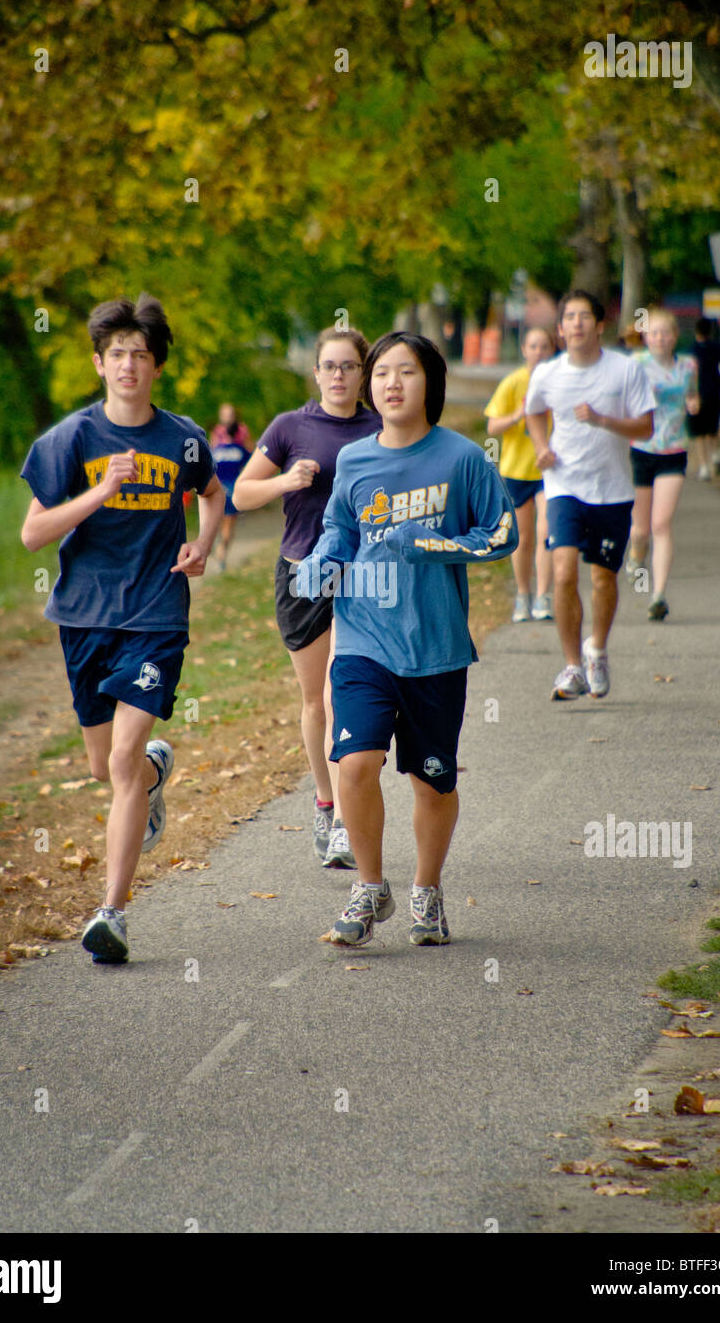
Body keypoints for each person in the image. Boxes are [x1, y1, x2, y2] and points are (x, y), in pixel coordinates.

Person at [20, 294, 225, 964]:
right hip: (82, 615)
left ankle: (113, 912)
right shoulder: (70, 441)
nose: (129, 365)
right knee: (105, 767)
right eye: (117, 355)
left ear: (156, 366)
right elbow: (32, 535)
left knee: (119, 760)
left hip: (156, 614)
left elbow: (214, 493)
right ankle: (152, 775)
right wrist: (98, 494)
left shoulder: (183, 438)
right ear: (98, 364)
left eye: (141, 354)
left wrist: (204, 545)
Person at [296, 332, 517, 947]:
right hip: (363, 637)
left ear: (430, 384)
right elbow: (339, 527)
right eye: (382, 373)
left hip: (436, 648)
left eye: (407, 372)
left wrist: (432, 542)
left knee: (433, 781)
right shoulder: (357, 462)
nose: (392, 383)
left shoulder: (463, 459)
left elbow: (502, 535)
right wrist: (322, 561)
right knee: (355, 763)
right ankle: (369, 888)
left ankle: (426, 890)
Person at [232, 327, 380, 868]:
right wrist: (286, 482)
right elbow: (241, 494)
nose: (339, 376)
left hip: (361, 578)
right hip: (301, 575)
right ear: (315, 373)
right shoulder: (290, 427)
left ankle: (344, 821)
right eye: (330, 367)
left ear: (363, 373)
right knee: (315, 699)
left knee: (345, 691)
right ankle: (324, 797)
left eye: (349, 366)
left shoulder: (380, 427)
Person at [525, 290, 655, 701]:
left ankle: (596, 648)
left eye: (585, 316)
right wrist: (541, 446)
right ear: (560, 329)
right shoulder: (548, 374)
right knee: (563, 572)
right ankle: (572, 666)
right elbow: (533, 411)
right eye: (569, 317)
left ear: (600, 325)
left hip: (612, 490)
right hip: (564, 485)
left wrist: (602, 420)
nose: (576, 323)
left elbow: (646, 428)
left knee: (603, 578)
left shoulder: (625, 370)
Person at [625, 310, 699, 620]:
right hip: (642, 449)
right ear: (646, 337)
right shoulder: (636, 364)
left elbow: (693, 396)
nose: (659, 338)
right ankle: (636, 556)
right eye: (653, 333)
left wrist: (694, 404)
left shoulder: (687, 366)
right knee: (641, 529)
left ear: (674, 336)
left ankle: (658, 595)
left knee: (661, 525)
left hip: (673, 449)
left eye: (665, 333)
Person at [485, 326, 555, 621]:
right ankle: (522, 595)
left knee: (546, 534)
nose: (538, 352)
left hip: (550, 470)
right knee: (523, 538)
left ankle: (543, 597)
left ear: (552, 351)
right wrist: (518, 415)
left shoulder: (558, 381)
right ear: (524, 350)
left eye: (544, 347)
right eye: (533, 346)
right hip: (516, 471)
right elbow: (491, 428)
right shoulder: (513, 382)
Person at [209, 405, 253, 570]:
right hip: (218, 486)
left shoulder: (242, 431)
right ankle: (218, 549)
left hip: (232, 486)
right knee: (219, 521)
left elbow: (251, 457)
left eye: (230, 414)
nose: (227, 418)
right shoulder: (217, 432)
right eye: (225, 414)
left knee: (226, 523)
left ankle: (220, 552)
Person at [689, 318, 720, 479]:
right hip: (714, 392)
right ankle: (714, 455)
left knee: (699, 432)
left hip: (697, 394)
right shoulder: (718, 347)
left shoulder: (692, 350)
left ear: (696, 331)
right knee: (713, 428)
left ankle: (704, 467)